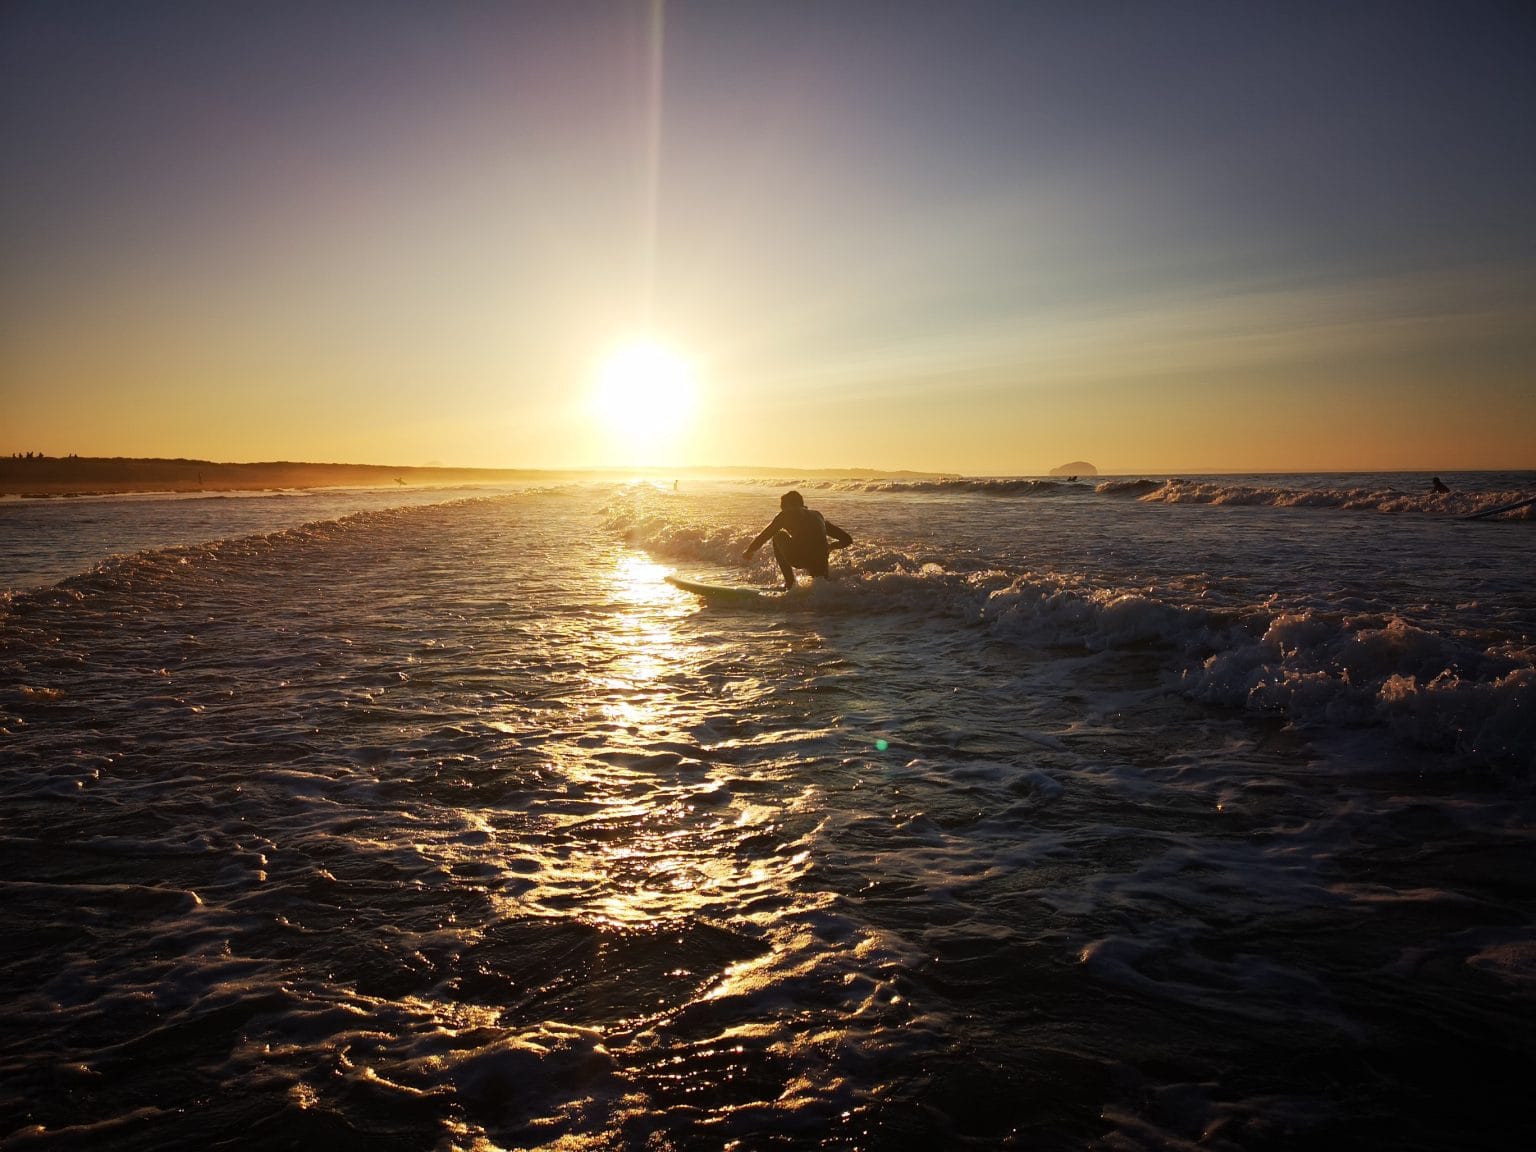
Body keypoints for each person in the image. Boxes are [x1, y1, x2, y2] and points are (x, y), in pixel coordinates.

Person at [743, 490, 852, 590]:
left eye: (782, 507)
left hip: (800, 557)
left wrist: (749, 551)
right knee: (820, 587)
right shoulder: (818, 516)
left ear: (788, 505)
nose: (781, 509)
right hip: (820, 561)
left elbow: (766, 535)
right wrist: (831, 547)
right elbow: (847, 539)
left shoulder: (786, 514)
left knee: (778, 535)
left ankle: (789, 583)